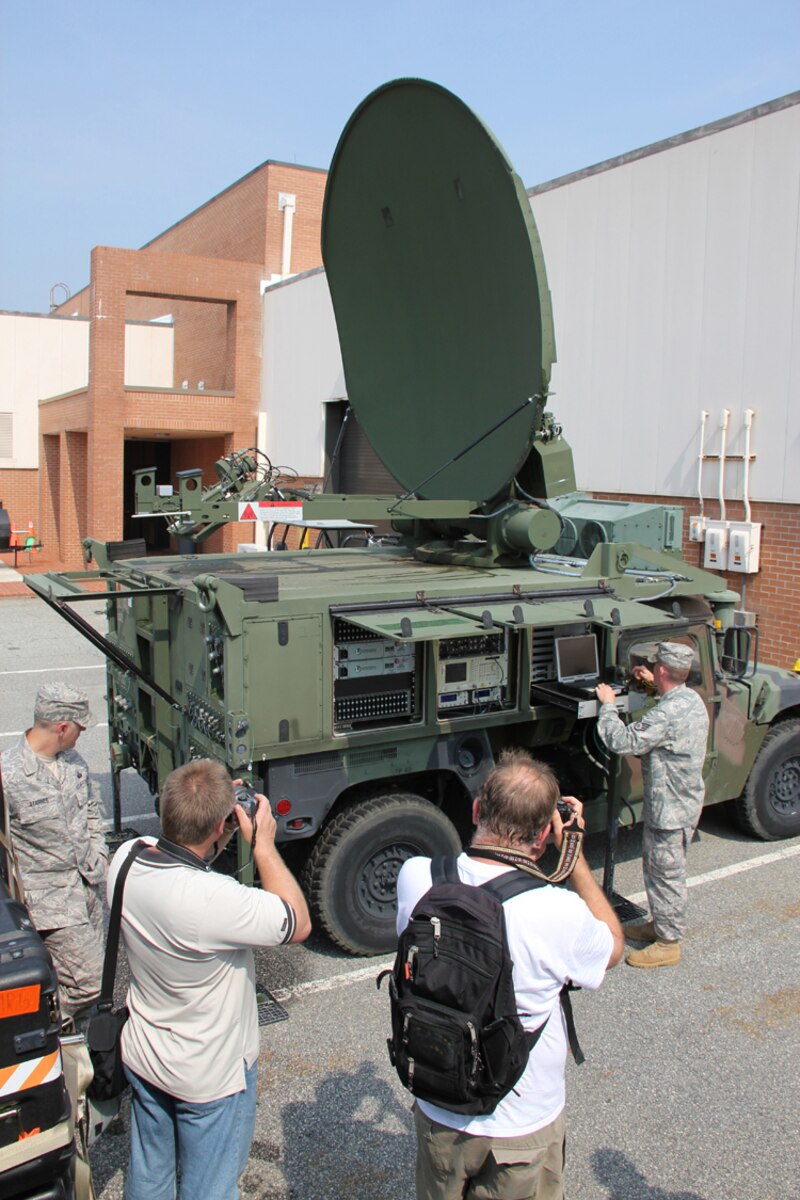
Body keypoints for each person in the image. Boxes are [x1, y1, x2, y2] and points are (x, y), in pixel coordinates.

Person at [396, 750, 623, 1200]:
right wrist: (574, 855)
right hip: (522, 1119)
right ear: (544, 835)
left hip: (440, 1098)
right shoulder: (557, 910)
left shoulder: (417, 876)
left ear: (476, 810)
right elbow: (613, 947)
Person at [109, 759, 311, 1200]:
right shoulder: (215, 900)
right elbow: (297, 922)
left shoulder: (126, 859)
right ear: (221, 825)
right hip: (208, 1077)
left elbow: (179, 849)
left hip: (145, 1054)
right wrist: (263, 846)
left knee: (150, 1176)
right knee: (210, 1188)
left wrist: (214, 816)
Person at [595, 640, 710, 969]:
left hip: (670, 810)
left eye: (655, 667)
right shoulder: (690, 699)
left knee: (666, 874)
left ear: (661, 669)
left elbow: (622, 740)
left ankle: (668, 943)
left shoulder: (667, 714)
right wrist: (650, 683)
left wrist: (608, 705)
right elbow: (667, 706)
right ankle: (660, 924)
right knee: (658, 868)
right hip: (681, 802)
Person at [1, 682, 107, 1018]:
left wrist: (100, 855)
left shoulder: (73, 762)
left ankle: (75, 1039)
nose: (83, 733)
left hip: (88, 890)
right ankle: (37, 1022)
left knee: (83, 984)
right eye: (79, 727)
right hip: (51, 906)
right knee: (92, 983)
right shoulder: (8, 774)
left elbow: (91, 812)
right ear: (62, 727)